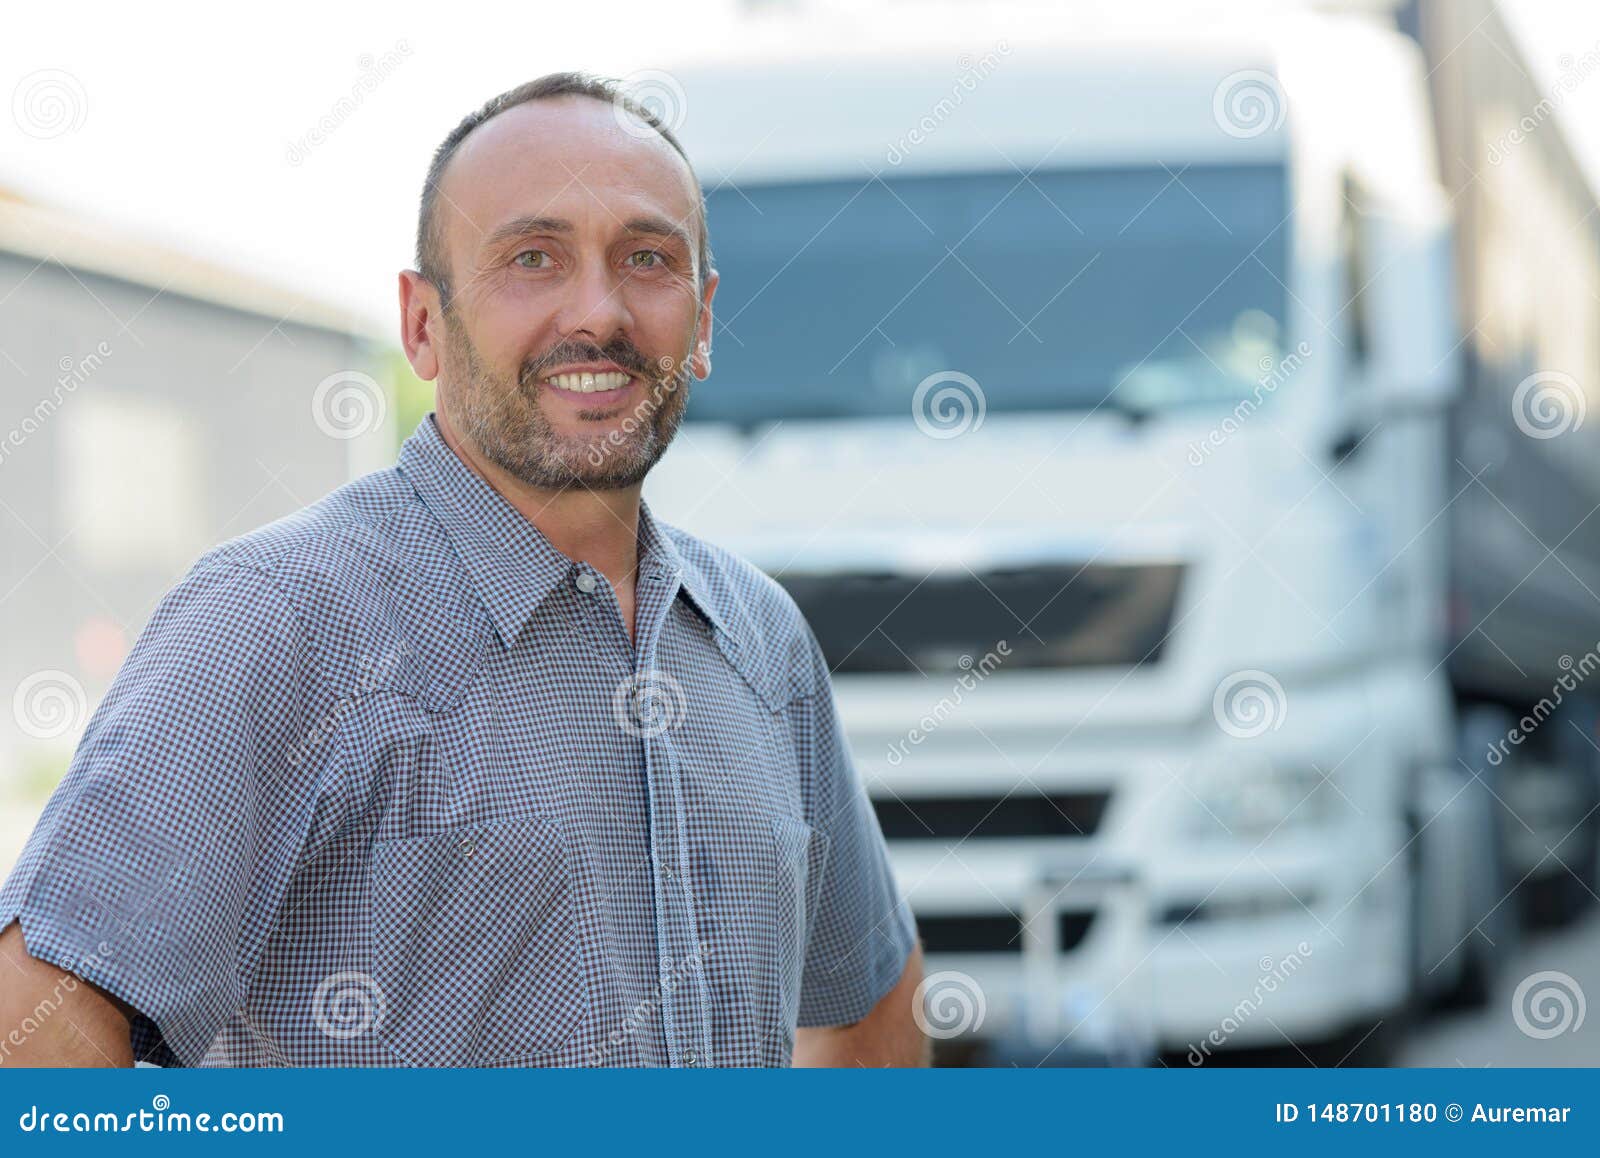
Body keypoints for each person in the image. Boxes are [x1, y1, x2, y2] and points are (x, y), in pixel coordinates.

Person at [0, 72, 926, 1068]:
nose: (598, 313)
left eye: (646, 259)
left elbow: (870, 1006)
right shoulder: (278, 620)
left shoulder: (760, 638)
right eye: (533, 258)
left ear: (700, 320)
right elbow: (35, 1031)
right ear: (421, 324)